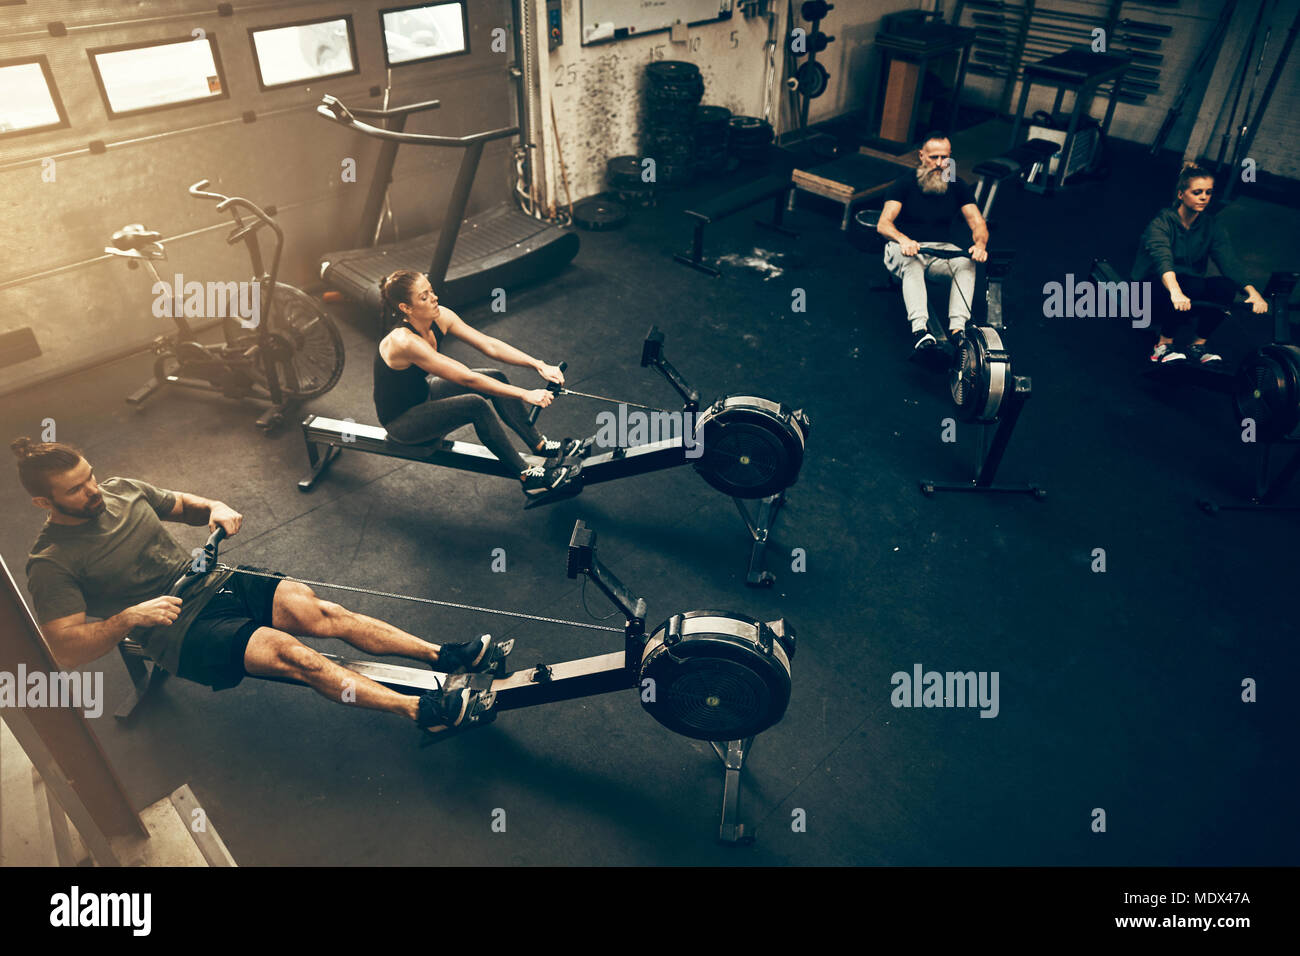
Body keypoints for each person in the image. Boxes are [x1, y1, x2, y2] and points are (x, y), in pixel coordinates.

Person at [15, 438, 503, 737]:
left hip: (210, 580)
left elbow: (185, 505)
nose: (93, 491)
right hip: (176, 629)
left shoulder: (121, 489)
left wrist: (216, 508)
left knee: (322, 613)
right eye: (76, 489)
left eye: (90, 477)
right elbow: (65, 649)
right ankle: (423, 711)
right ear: (44, 502)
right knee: (297, 657)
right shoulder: (52, 561)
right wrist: (128, 618)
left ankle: (445, 656)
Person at [375, 270, 583, 498]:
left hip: (424, 395)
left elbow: (489, 345)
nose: (434, 298)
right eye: (424, 297)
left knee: (495, 376)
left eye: (431, 291)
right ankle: (527, 478)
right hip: (402, 421)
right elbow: (466, 377)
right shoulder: (404, 341)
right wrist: (524, 394)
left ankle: (539, 445)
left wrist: (538, 364)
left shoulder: (440, 316)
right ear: (406, 307)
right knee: (475, 405)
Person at [1133, 162, 1268, 365]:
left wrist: (1252, 292)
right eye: (1197, 192)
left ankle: (1197, 345)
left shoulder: (1211, 225)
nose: (1204, 197)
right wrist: (1176, 292)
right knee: (1192, 284)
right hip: (1149, 292)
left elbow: (1227, 260)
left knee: (1225, 287)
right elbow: (1163, 261)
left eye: (1208, 192)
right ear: (1181, 194)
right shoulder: (1161, 223)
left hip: (1186, 291)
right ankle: (1163, 345)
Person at [876, 132, 990, 357]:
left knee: (966, 262)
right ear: (921, 156)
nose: (939, 163)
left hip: (939, 251)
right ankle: (920, 331)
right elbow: (883, 224)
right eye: (933, 157)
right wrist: (904, 240)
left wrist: (980, 244)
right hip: (903, 249)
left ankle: (958, 330)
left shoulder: (957, 185)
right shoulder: (904, 183)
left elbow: (978, 222)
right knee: (912, 262)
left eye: (944, 157)